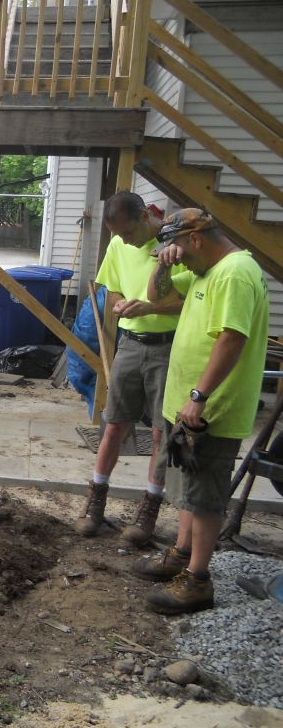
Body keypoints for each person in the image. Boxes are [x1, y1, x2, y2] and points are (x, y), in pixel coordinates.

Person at [131, 208, 268, 614]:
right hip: (189, 406)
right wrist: (164, 265)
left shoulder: (234, 273)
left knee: (206, 495)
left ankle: (197, 581)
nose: (180, 258)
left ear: (196, 239)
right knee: (190, 487)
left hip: (213, 408)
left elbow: (231, 339)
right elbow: (158, 297)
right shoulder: (207, 270)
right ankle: (181, 553)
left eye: (180, 250)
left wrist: (199, 395)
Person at [75, 193, 183, 546]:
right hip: (130, 345)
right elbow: (116, 290)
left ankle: (148, 510)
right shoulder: (118, 246)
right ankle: (95, 501)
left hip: (169, 347)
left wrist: (151, 307)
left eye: (128, 232)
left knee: (158, 433)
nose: (124, 240)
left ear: (143, 216)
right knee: (114, 425)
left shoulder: (174, 246)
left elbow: (194, 301)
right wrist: (121, 304)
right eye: (117, 235)